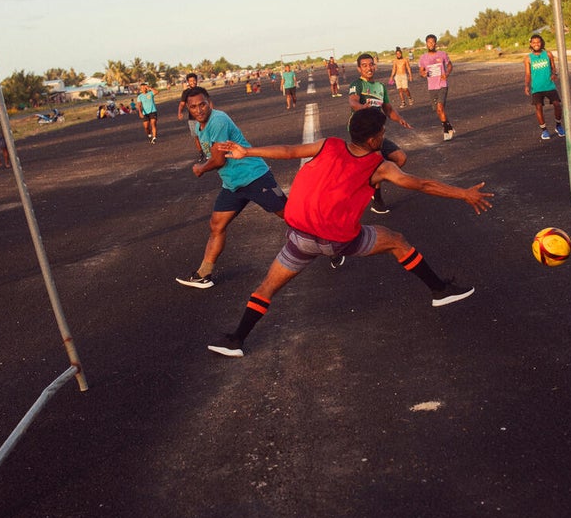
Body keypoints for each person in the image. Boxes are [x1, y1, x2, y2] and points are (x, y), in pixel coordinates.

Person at [205, 107, 493, 358]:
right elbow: (421, 184)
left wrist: (247, 151)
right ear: (374, 139)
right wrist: (463, 194)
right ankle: (439, 289)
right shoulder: (380, 166)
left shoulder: (328, 144)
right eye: (381, 132)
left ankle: (236, 339)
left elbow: (289, 151)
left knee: (266, 287)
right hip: (334, 240)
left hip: (300, 237)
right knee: (396, 241)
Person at [175, 86, 287, 289]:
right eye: (193, 107)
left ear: (209, 102)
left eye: (202, 104)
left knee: (291, 216)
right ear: (188, 109)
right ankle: (204, 274)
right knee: (216, 225)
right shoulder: (197, 125)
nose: (199, 110)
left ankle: (332, 244)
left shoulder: (218, 120)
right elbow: (209, 150)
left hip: (254, 177)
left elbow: (218, 160)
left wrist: (200, 168)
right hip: (233, 184)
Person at [347, 53, 411, 214]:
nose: (369, 68)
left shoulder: (380, 87)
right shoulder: (357, 84)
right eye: (365, 65)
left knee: (400, 158)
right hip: (363, 134)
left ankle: (368, 183)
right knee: (377, 163)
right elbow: (353, 101)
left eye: (371, 64)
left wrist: (400, 119)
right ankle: (377, 199)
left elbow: (388, 109)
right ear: (359, 68)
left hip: (377, 135)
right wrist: (362, 108)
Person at [524, 34, 564, 140]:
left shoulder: (548, 54)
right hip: (536, 87)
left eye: (538, 42)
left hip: (549, 86)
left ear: (541, 43)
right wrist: (526, 85)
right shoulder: (528, 58)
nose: (536, 44)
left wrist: (554, 74)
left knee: (557, 104)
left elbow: (553, 67)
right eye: (534, 42)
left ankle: (558, 126)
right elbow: (528, 74)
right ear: (531, 44)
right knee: (538, 107)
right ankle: (544, 130)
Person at [418, 34, 456, 140]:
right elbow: (421, 71)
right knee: (438, 111)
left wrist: (447, 73)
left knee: (440, 107)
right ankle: (449, 127)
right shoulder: (423, 58)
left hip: (442, 85)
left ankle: (445, 131)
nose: (431, 44)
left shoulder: (442, 54)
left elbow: (449, 65)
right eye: (429, 42)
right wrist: (424, 74)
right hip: (432, 87)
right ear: (426, 44)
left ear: (436, 43)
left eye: (433, 42)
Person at [178, 73, 206, 162]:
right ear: (188, 82)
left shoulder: (202, 90)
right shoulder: (186, 92)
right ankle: (201, 153)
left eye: (194, 80)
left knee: (205, 135)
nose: (193, 82)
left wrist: (212, 112)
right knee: (196, 136)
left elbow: (208, 101)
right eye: (190, 81)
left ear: (197, 80)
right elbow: (182, 104)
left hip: (204, 116)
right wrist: (179, 112)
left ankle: (208, 152)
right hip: (192, 118)